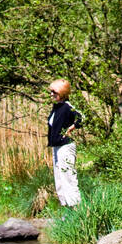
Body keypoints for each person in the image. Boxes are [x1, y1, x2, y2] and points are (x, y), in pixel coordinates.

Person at [47, 79, 83, 208]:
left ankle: (77, 208)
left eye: (54, 92)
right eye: (51, 92)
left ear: (62, 92)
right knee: (59, 179)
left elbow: (82, 117)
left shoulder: (67, 107)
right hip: (56, 147)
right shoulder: (56, 108)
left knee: (68, 177)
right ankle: (67, 209)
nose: (51, 94)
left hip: (65, 147)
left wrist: (71, 128)